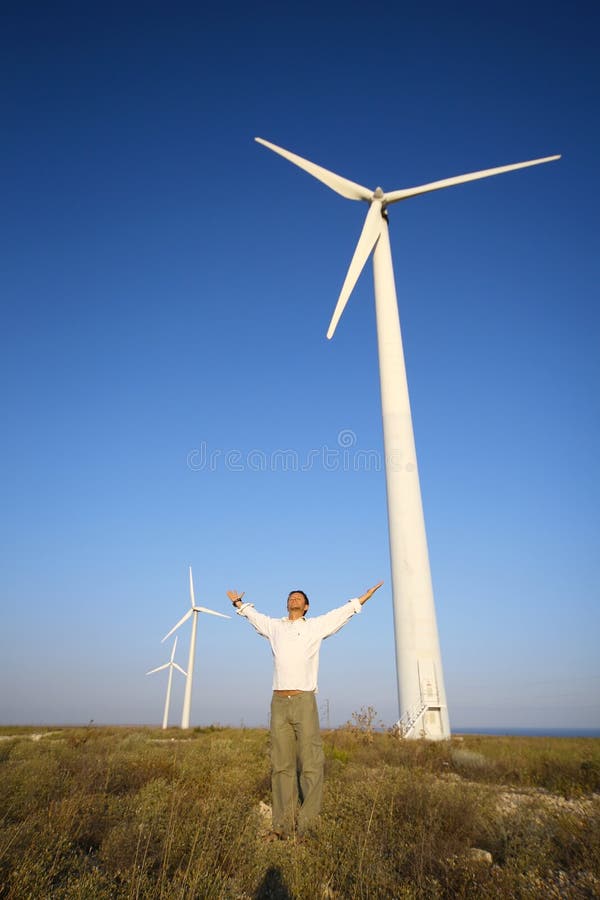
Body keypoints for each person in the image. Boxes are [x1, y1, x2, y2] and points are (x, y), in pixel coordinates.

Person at [226, 582, 383, 841]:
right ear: (287, 604)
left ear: (306, 606)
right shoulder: (275, 627)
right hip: (278, 702)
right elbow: (255, 618)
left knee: (310, 763)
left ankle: (307, 828)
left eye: (299, 597)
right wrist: (239, 604)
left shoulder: (314, 627)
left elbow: (341, 613)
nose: (294, 599)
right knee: (281, 765)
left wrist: (362, 598)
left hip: (304, 700)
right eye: (291, 597)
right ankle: (282, 826)